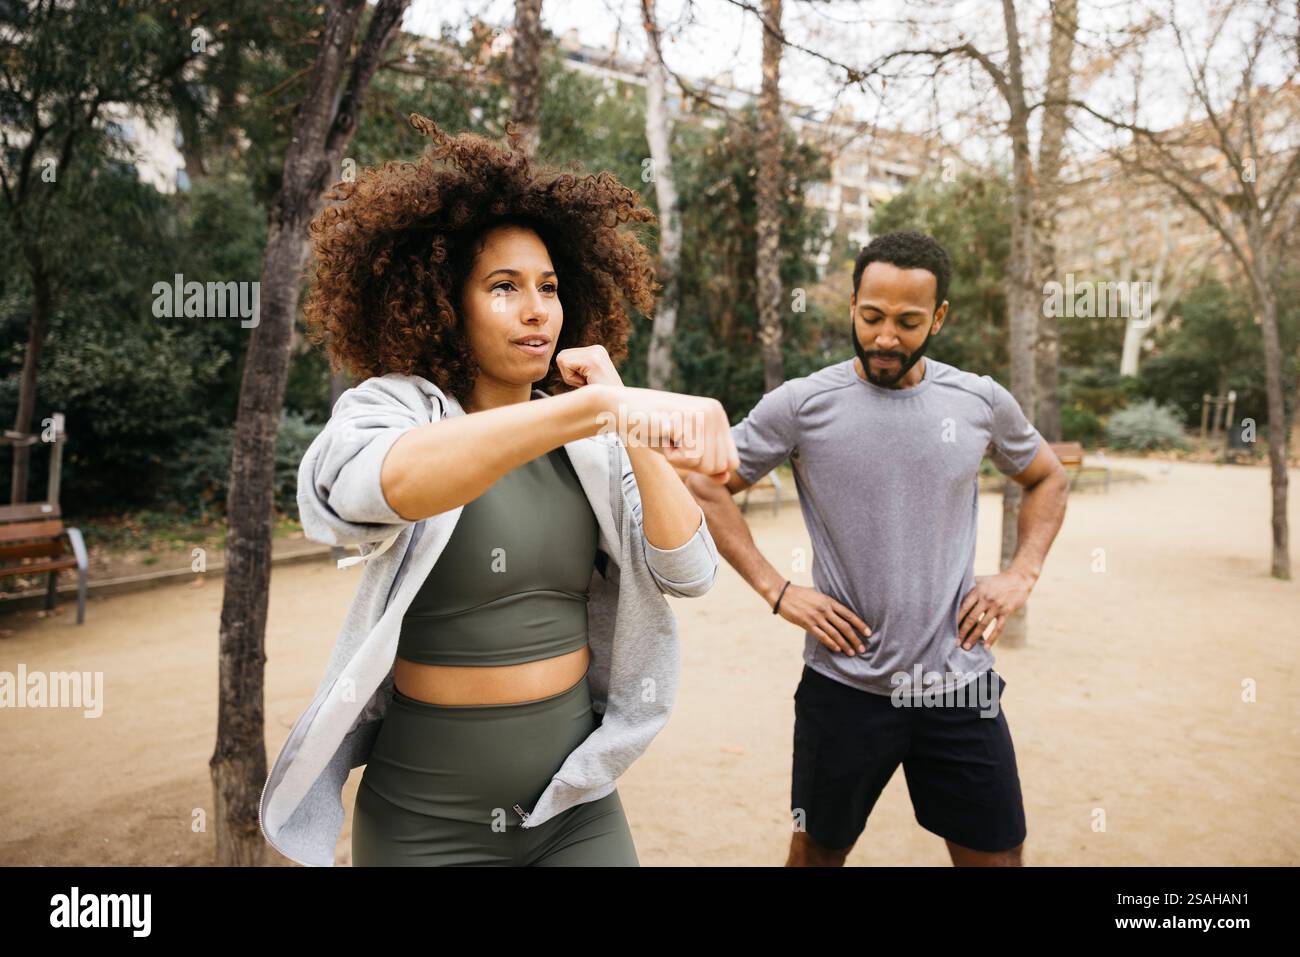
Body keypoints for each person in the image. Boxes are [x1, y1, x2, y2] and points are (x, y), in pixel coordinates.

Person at [259, 114, 737, 867]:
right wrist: (596, 408)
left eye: (547, 286)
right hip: (425, 818)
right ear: (447, 302)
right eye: (504, 287)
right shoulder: (397, 409)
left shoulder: (590, 435)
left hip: (571, 805)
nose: (537, 307)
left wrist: (623, 422)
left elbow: (690, 570)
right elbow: (352, 495)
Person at [686, 230, 1070, 867]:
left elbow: (1046, 476)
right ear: (853, 306)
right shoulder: (803, 404)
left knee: (1000, 858)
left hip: (959, 687)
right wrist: (777, 590)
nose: (886, 337)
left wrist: (1021, 574)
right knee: (816, 855)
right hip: (844, 687)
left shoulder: (978, 400)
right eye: (871, 316)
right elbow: (707, 483)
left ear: (939, 317)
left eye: (908, 321)